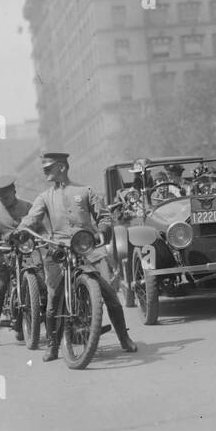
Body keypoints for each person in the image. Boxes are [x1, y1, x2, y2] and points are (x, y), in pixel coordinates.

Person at [18, 151, 136, 361]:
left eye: (49, 167)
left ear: (62, 167)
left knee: (110, 294)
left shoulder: (85, 191)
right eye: (44, 167)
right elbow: (31, 218)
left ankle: (124, 338)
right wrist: (21, 230)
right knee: (53, 299)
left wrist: (102, 230)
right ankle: (53, 346)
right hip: (59, 250)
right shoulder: (44, 197)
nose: (45, 171)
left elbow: (104, 216)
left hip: (86, 247)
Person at [0, 174, 32, 349]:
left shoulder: (28, 207)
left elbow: (40, 226)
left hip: (27, 254)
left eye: (7, 195)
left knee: (41, 284)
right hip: (3, 255)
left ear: (14, 191)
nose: (4, 199)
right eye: (0, 196)